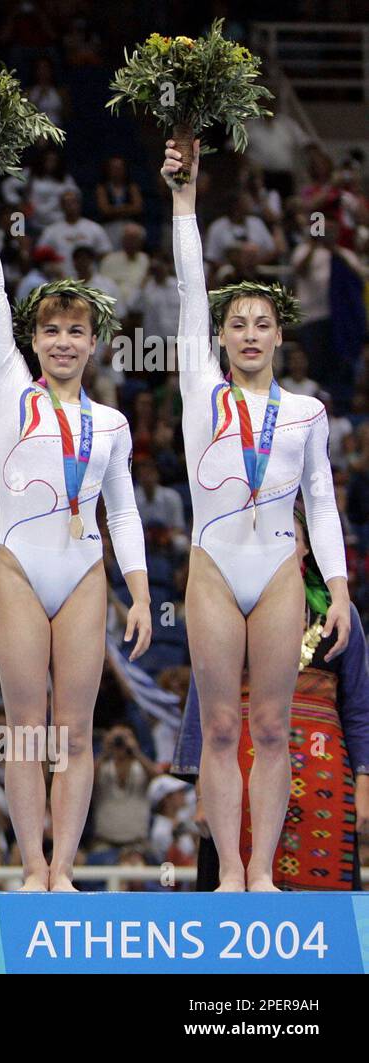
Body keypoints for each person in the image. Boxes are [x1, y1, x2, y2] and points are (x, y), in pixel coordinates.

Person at [0, 155, 151, 891]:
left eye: (76, 330)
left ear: (95, 341)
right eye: (51, 329)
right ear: (33, 339)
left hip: (84, 573)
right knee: (27, 726)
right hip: (17, 566)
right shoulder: (10, 387)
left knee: (74, 730)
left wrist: (137, 588)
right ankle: (31, 865)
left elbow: (125, 509)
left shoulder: (111, 422)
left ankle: (64, 869)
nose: (64, 341)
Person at [165, 140, 350, 891]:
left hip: (278, 567)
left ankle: (266, 873)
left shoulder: (306, 412)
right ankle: (231, 871)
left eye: (261, 323)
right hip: (213, 569)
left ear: (279, 335)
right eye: (236, 322)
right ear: (220, 335)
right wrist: (185, 200)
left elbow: (325, 505)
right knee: (218, 728)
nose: (247, 333)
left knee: (271, 728)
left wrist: (336, 589)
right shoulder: (200, 392)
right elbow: (187, 287)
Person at [174, 507, 369, 890]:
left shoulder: (340, 618)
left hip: (324, 784)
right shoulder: (225, 615)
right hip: (237, 780)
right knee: (232, 900)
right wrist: (201, 791)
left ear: (306, 550)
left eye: (286, 539)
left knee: (325, 923)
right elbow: (205, 709)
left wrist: (364, 784)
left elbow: (359, 709)